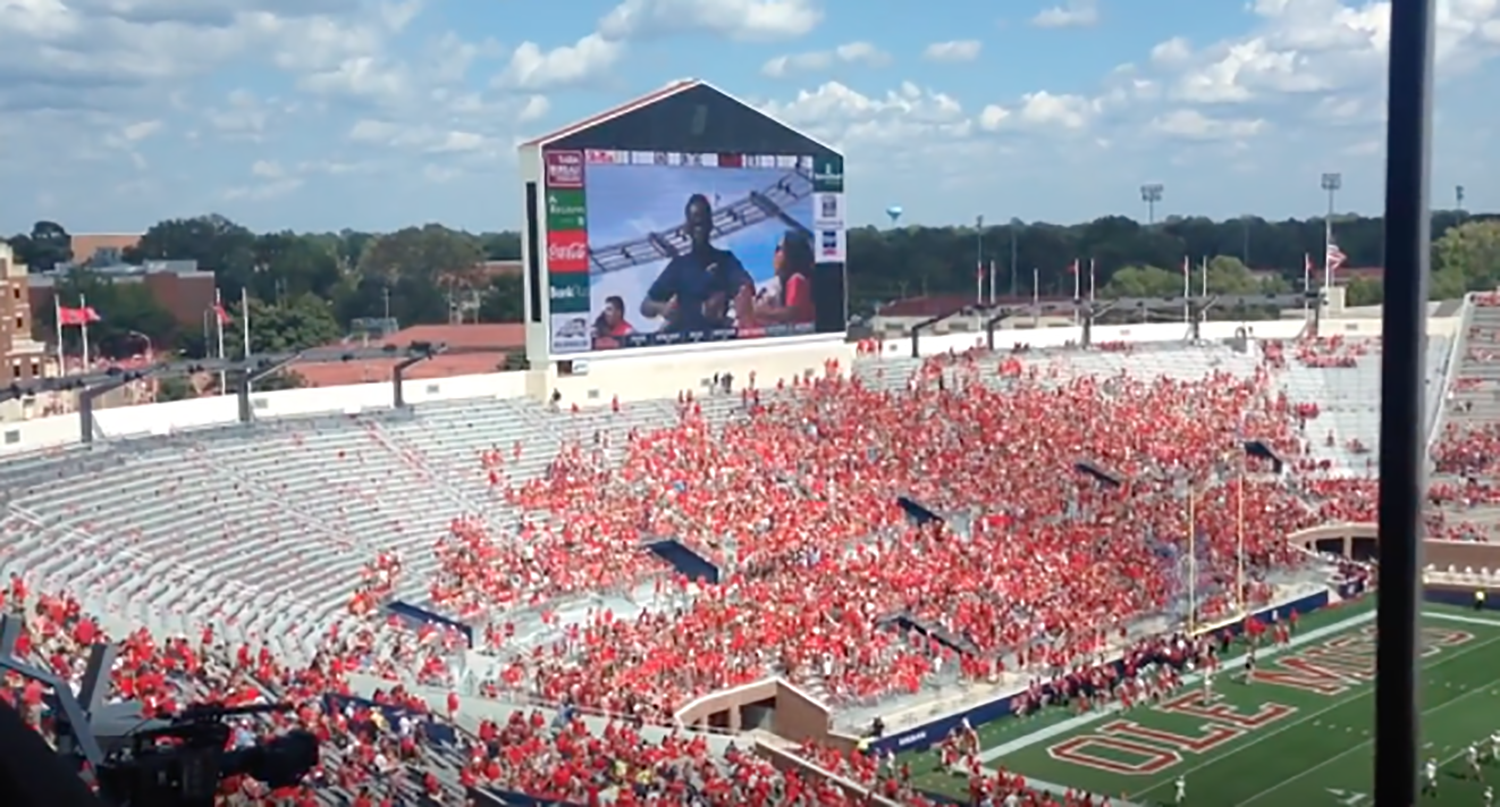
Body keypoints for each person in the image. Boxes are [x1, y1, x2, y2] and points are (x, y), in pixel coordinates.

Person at [640, 194, 753, 335]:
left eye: (703, 223)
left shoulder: (726, 260)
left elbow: (746, 287)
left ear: (710, 225)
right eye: (695, 224)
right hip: (688, 346)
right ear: (687, 228)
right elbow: (645, 306)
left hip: (720, 343)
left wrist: (725, 300)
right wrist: (663, 308)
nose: (699, 229)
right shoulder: (678, 266)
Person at [744, 229, 817, 327]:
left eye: (779, 249)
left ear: (792, 253)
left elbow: (792, 313)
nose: (775, 255)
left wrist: (759, 312)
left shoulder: (797, 280)